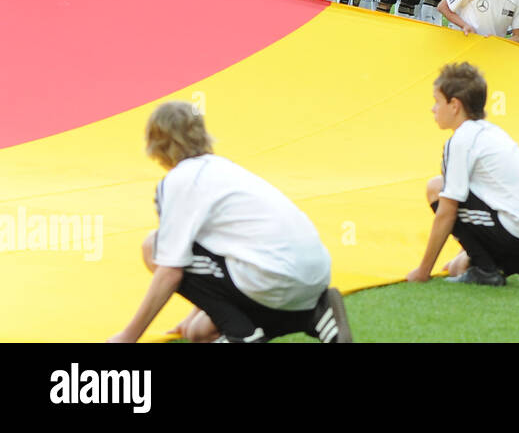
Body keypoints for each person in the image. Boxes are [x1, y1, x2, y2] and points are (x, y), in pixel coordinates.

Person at [108, 101, 350, 343]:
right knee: (199, 332)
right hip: (313, 275)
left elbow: (171, 270)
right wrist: (199, 311)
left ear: (155, 143)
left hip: (272, 277)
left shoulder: (178, 180)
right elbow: (220, 248)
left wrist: (128, 336)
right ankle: (316, 316)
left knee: (153, 247)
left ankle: (243, 333)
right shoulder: (225, 169)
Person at [406, 63, 519, 288]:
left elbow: (447, 211)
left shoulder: (461, 140)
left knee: (436, 188)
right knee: (454, 193)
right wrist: (465, 255)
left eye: (437, 101)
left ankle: (486, 270)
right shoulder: (492, 132)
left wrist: (423, 271)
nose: (433, 109)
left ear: (454, 105)